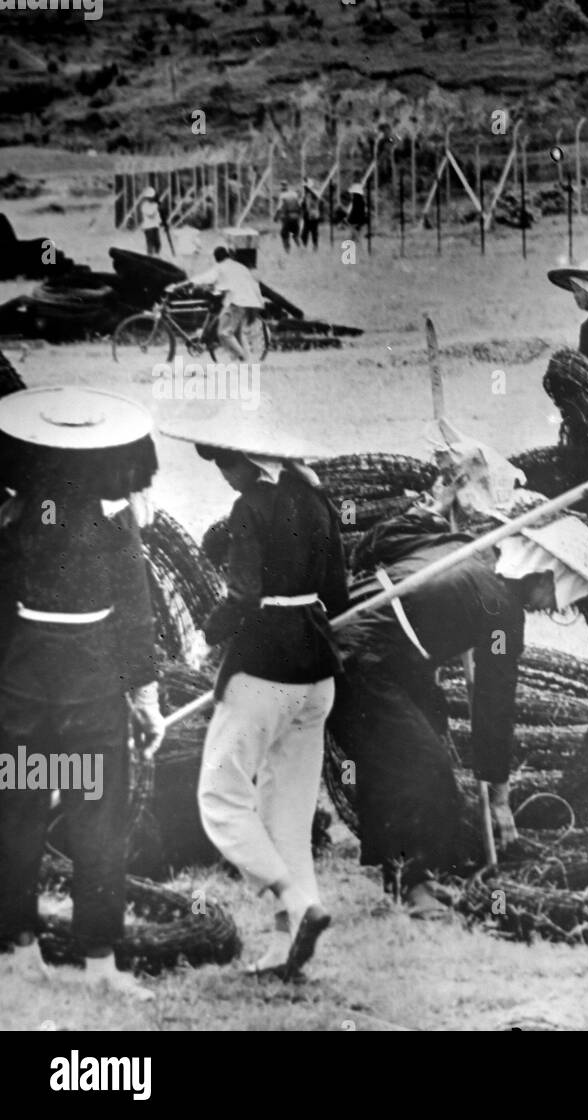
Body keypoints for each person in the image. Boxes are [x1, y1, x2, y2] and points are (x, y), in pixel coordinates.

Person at [328, 505, 588, 914]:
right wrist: (499, 795)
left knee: (419, 736)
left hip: (374, 655)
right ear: (544, 574)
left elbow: (378, 543)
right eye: (558, 596)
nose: (554, 608)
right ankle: (416, 886)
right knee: (423, 767)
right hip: (359, 663)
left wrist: (427, 514)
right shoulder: (502, 610)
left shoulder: (459, 545)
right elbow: (493, 705)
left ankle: (402, 873)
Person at [163, 421, 348, 978]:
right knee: (287, 812)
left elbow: (243, 595)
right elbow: (337, 592)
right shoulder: (318, 500)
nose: (223, 475)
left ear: (251, 460)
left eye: (226, 463)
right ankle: (285, 946)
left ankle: (296, 900)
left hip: (264, 668)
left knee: (220, 797)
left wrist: (206, 634)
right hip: (317, 673)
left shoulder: (250, 508)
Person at [0, 387, 164, 1000]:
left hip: (22, 685)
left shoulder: (14, 517)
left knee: (16, 814)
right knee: (97, 819)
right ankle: (99, 964)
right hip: (92, 685)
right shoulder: (114, 519)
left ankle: (19, 951)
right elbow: (136, 616)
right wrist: (145, 700)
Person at [172, 246, 265, 363]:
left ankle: (244, 359)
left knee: (224, 333)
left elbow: (203, 278)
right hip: (251, 302)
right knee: (236, 333)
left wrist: (179, 286)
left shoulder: (220, 267)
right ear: (228, 255)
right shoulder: (239, 266)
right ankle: (245, 358)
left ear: (216, 258)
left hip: (237, 302)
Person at [274, 181, 301, 253]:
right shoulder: (294, 194)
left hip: (287, 218)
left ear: (282, 187)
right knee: (295, 234)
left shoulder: (282, 195)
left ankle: (287, 251)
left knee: (284, 234)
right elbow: (299, 206)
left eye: (282, 186)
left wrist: (276, 217)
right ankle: (300, 248)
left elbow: (279, 208)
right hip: (296, 217)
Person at [139, 187, 166, 258]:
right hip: (148, 227)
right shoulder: (144, 205)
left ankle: (157, 255)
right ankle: (150, 256)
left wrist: (162, 222)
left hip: (155, 226)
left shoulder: (155, 204)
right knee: (150, 243)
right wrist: (156, 206)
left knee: (158, 243)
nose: (151, 199)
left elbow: (158, 216)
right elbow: (150, 214)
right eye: (149, 198)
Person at [300, 180, 322, 251]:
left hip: (310, 216)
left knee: (307, 233)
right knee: (311, 233)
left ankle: (308, 247)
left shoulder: (310, 194)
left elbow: (305, 205)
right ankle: (312, 247)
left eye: (305, 187)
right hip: (313, 215)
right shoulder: (311, 194)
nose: (304, 188)